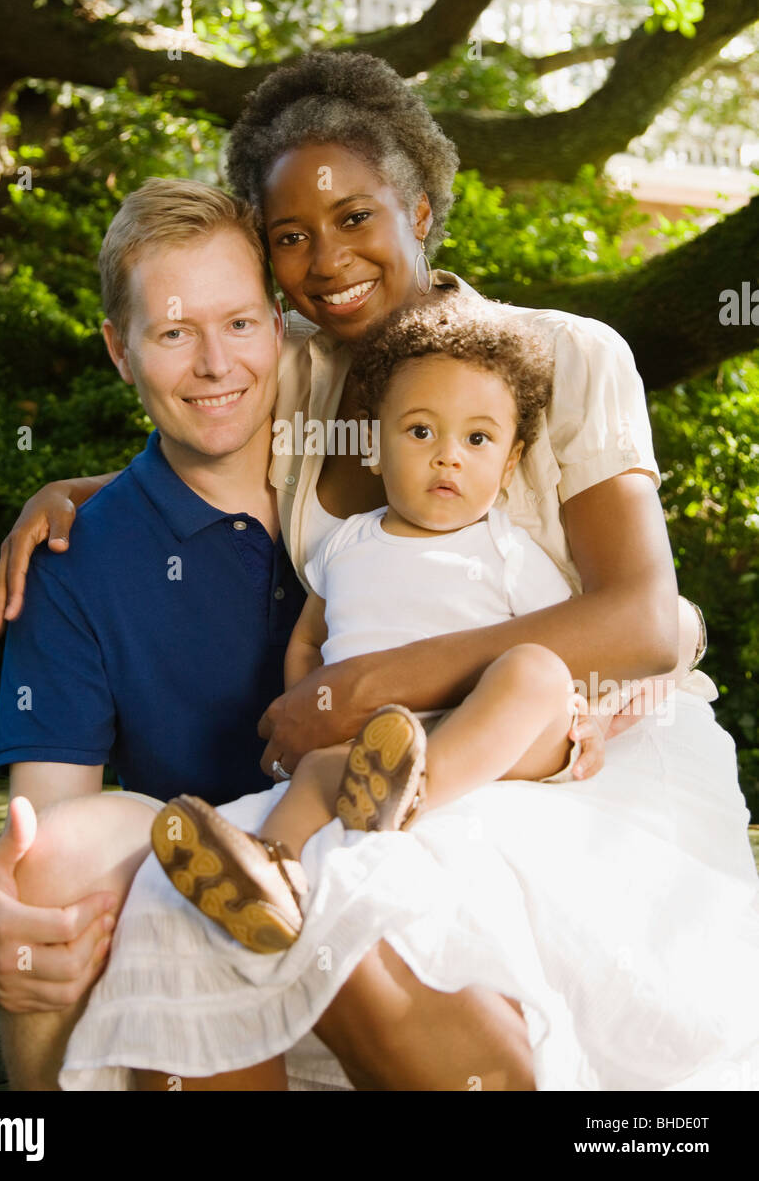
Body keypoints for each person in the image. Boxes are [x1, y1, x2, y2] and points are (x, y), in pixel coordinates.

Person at [0, 51, 758, 1091]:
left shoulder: (562, 355)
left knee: (353, 921)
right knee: (208, 907)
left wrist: (363, 684)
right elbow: (197, 392)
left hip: (568, 755)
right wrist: (76, 491)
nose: (325, 260)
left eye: (355, 218)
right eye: (290, 237)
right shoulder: (301, 370)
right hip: (362, 765)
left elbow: (644, 619)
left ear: (420, 209)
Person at [153, 296, 697, 953]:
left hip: (493, 736)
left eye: (477, 439)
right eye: (420, 433)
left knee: (533, 668)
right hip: (371, 739)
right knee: (322, 772)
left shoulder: (503, 548)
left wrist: (598, 716)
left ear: (509, 459)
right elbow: (307, 637)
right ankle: (268, 876)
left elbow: (575, 643)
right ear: (376, 448)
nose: (448, 458)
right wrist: (307, 699)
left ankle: (412, 792)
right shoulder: (346, 543)